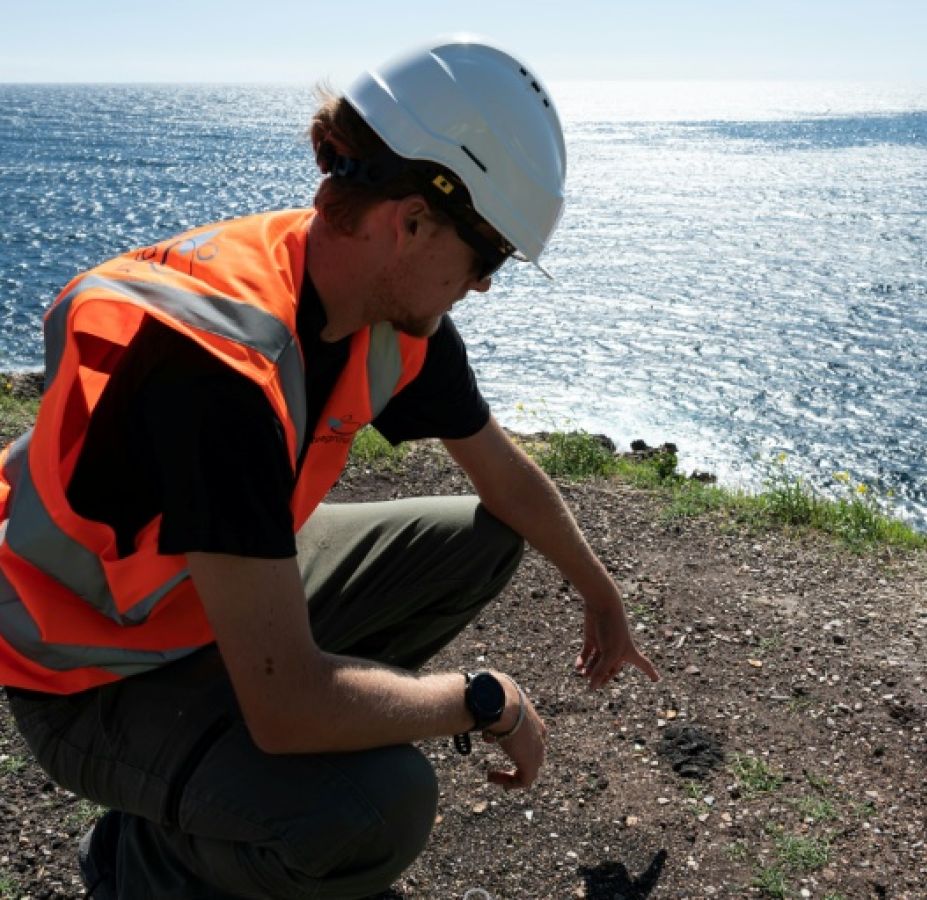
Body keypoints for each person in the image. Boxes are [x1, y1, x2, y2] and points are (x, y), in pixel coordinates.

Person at [0, 38, 658, 898]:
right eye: (489, 253)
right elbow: (288, 711)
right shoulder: (219, 375)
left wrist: (599, 591)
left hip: (205, 598)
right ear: (411, 220)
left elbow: (501, 476)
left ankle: (226, 772)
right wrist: (484, 697)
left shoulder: (383, 306)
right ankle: (146, 860)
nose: (487, 284)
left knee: (485, 538)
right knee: (379, 805)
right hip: (94, 671)